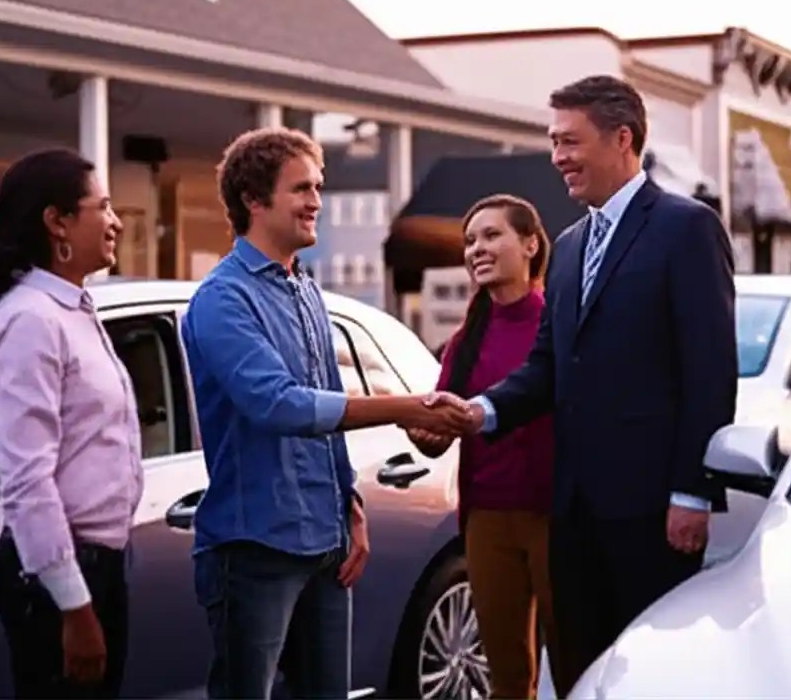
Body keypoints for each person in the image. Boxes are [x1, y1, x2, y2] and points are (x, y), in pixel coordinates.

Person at [430, 75, 738, 695]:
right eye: (553, 141)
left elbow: (708, 371)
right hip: (571, 516)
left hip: (651, 514)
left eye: (569, 141)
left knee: (651, 677)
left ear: (622, 139)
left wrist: (693, 495)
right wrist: (482, 411)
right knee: (583, 675)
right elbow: (548, 366)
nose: (557, 157)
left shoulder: (686, 228)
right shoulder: (569, 248)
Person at [181, 127, 475, 700]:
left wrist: (350, 504)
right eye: (302, 189)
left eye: (318, 186)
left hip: (325, 538)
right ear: (253, 199)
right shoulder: (222, 299)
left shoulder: (306, 291)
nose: (316, 200)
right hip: (255, 545)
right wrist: (405, 407)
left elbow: (325, 402)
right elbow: (279, 404)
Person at [0, 148, 142, 699]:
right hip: (58, 577)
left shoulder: (71, 308)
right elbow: (26, 479)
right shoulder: (31, 320)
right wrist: (75, 606)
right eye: (102, 207)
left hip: (99, 563)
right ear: (57, 221)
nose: (115, 222)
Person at [406, 194, 570, 699]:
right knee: (506, 676)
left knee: (574, 665)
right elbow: (441, 429)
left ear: (531, 245)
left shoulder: (560, 324)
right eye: (470, 240)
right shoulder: (465, 339)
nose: (477, 248)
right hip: (486, 518)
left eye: (492, 235)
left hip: (557, 517)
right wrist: (424, 434)